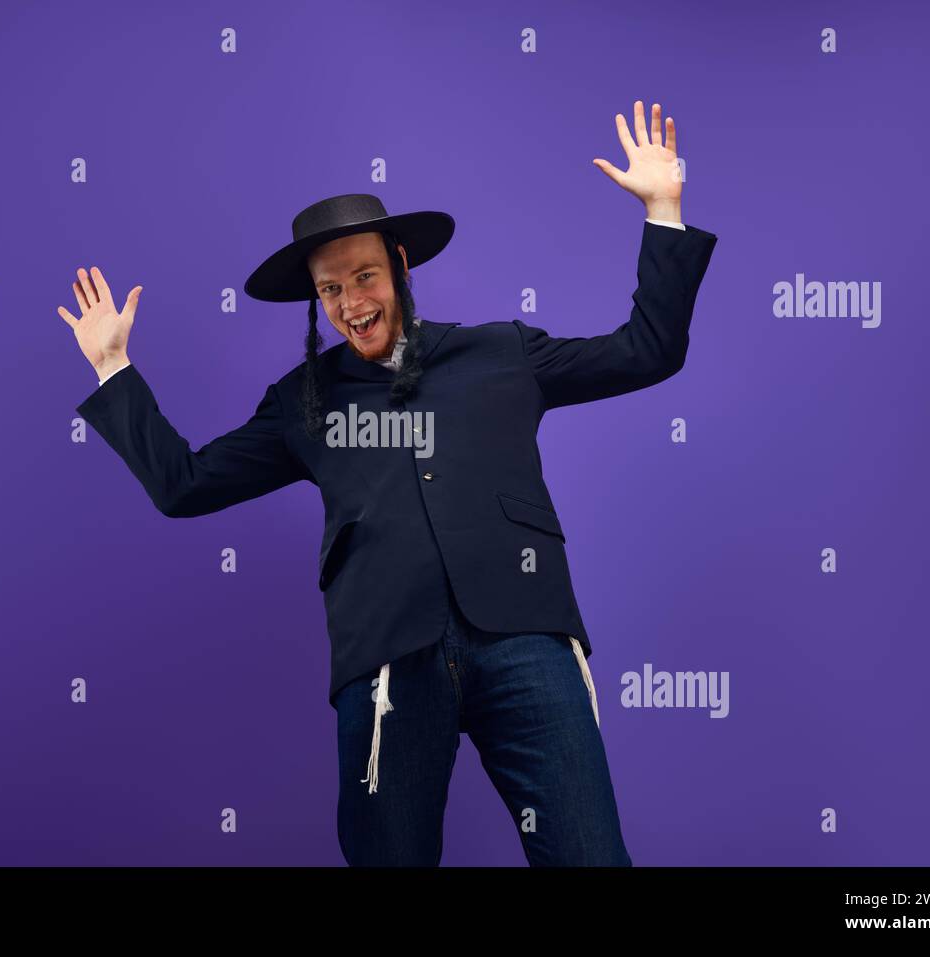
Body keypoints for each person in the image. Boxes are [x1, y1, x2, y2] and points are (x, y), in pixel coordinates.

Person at [59, 101, 718, 866]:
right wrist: (113, 366)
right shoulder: (300, 403)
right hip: (385, 663)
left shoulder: (502, 353)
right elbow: (184, 485)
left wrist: (663, 210)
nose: (352, 303)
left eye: (365, 276)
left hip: (524, 636)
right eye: (331, 290)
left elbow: (647, 351)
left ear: (400, 267)